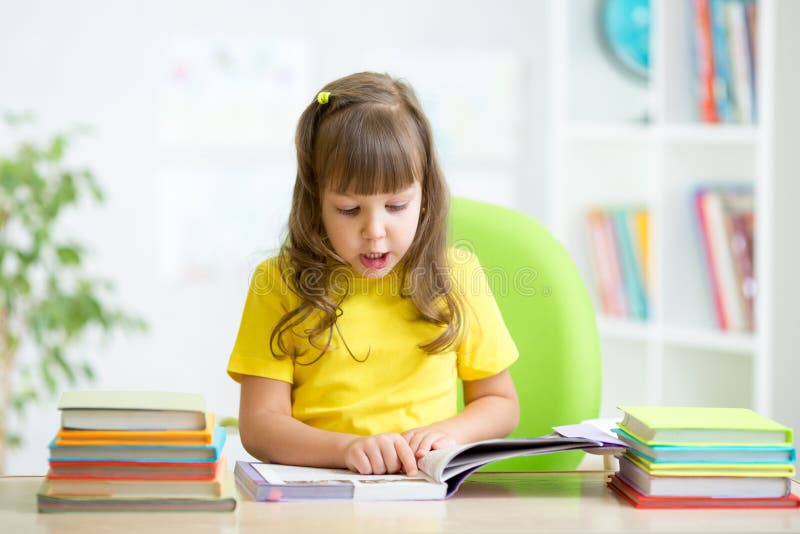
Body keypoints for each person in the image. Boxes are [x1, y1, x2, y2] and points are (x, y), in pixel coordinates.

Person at [227, 72, 519, 477]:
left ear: (424, 196)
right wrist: (347, 449)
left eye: (396, 206)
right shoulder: (278, 282)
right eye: (349, 209)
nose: (375, 230)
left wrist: (447, 434)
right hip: (319, 490)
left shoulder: (457, 276)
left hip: (425, 492)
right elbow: (260, 425)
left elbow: (500, 403)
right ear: (316, 202)